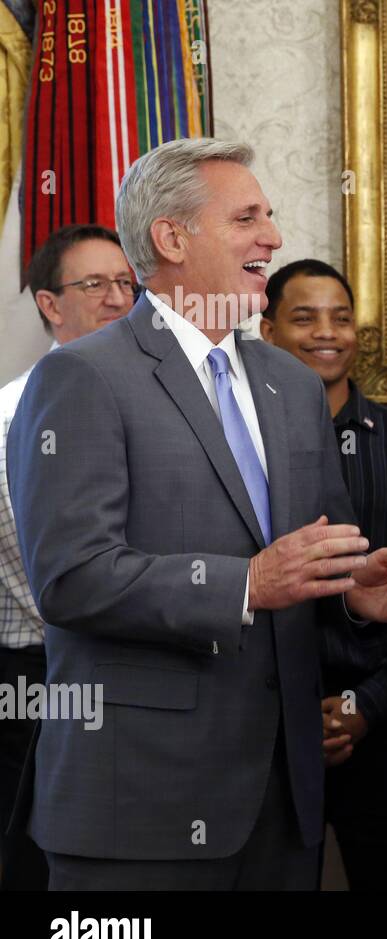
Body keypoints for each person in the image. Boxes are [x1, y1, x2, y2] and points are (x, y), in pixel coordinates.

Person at [6, 138, 387, 891]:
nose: (272, 236)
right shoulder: (81, 377)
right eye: (246, 218)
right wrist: (245, 584)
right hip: (141, 806)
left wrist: (351, 590)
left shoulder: (291, 385)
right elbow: (71, 578)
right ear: (171, 238)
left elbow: (307, 560)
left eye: (268, 216)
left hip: (284, 800)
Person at [260, 258, 387, 890]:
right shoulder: (242, 445)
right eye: (304, 317)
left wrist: (365, 706)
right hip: (267, 722)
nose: (327, 332)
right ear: (266, 332)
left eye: (341, 318)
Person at [0, 224, 133, 891]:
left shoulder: (161, 404)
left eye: (125, 283)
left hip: (142, 679)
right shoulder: (9, 414)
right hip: (32, 680)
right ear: (51, 305)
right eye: (94, 285)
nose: (117, 299)